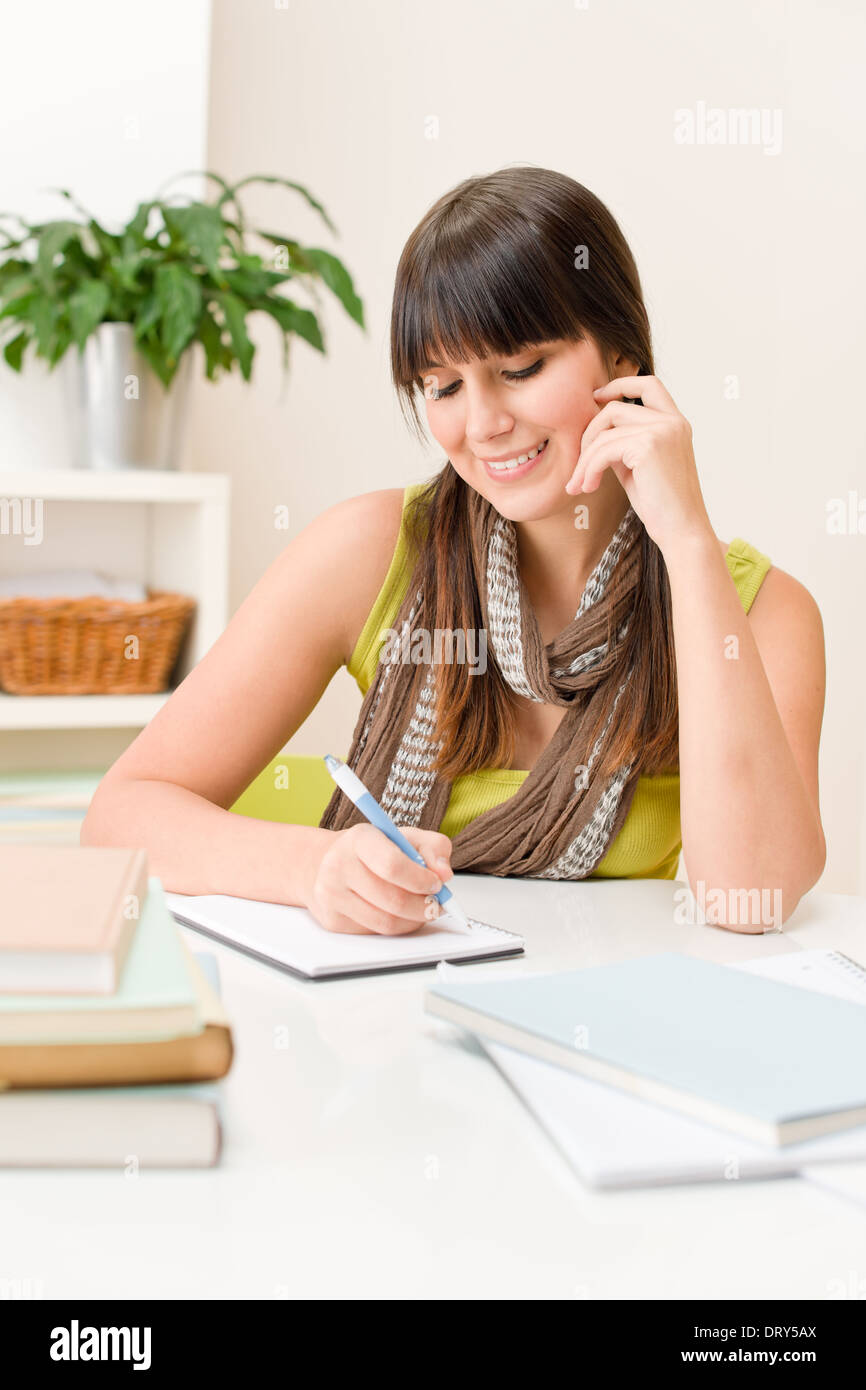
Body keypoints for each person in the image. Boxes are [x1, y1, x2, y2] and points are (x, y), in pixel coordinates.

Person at [82, 166, 826, 935]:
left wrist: (689, 545)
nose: (483, 424)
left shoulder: (762, 611)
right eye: (443, 386)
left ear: (622, 362)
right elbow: (122, 813)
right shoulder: (368, 552)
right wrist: (314, 868)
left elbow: (754, 896)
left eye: (520, 369)